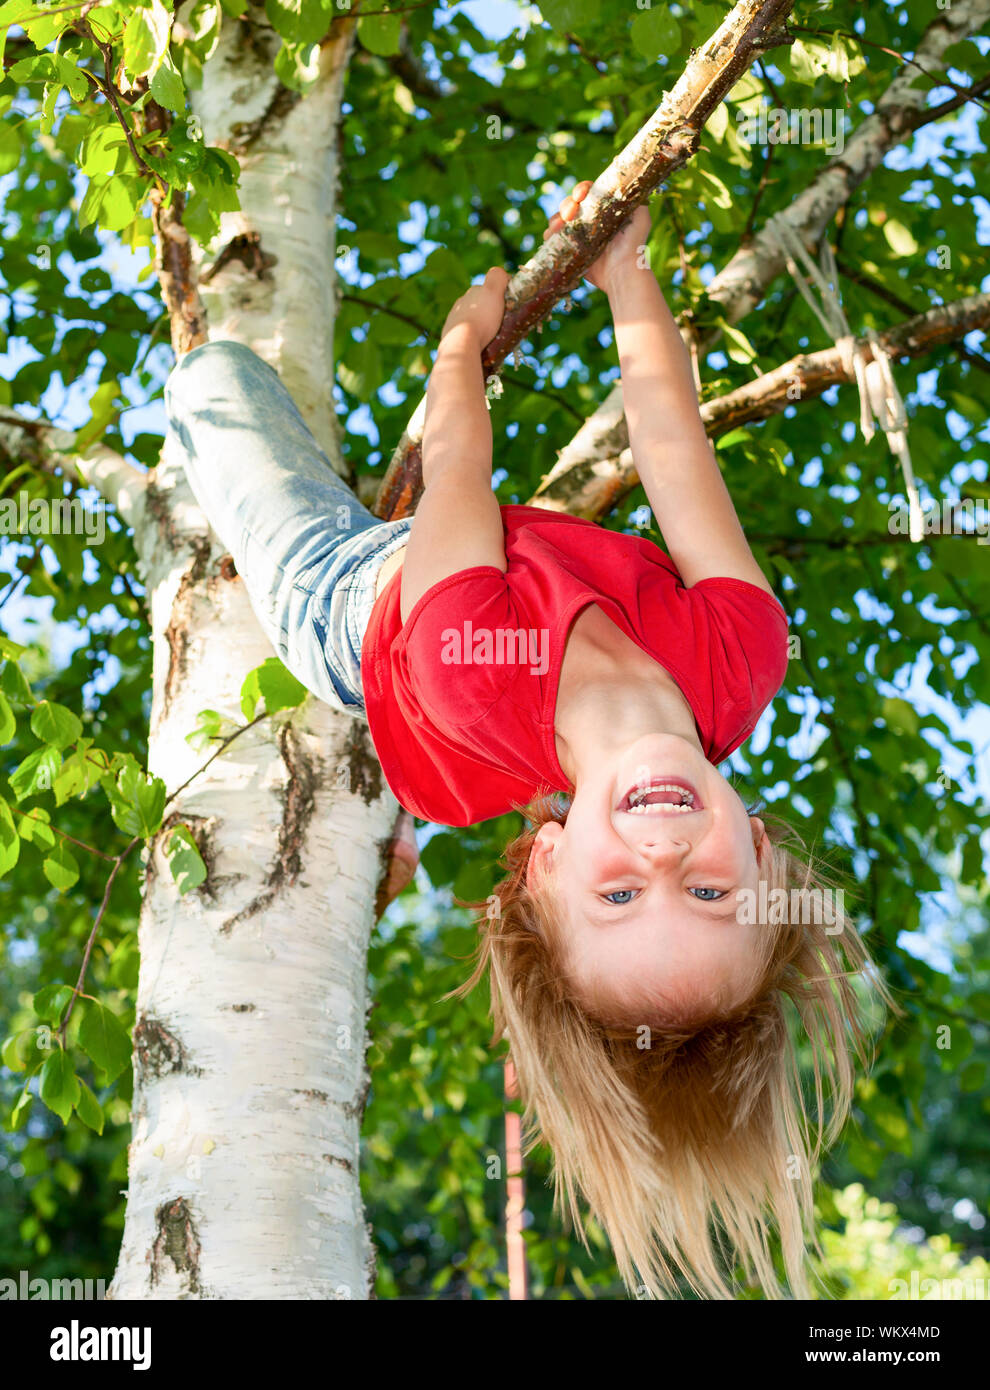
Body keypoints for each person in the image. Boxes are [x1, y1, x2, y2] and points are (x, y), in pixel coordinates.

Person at [164, 179, 894, 1299]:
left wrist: (465, 335)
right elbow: (668, 439)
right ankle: (420, 800)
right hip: (495, 603)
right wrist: (623, 272)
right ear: (758, 849)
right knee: (468, 676)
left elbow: (457, 464)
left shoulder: (467, 662)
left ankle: (367, 752)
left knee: (214, 382)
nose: (662, 864)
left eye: (617, 900)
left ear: (549, 863)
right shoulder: (743, 653)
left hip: (357, 602)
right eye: (708, 897)